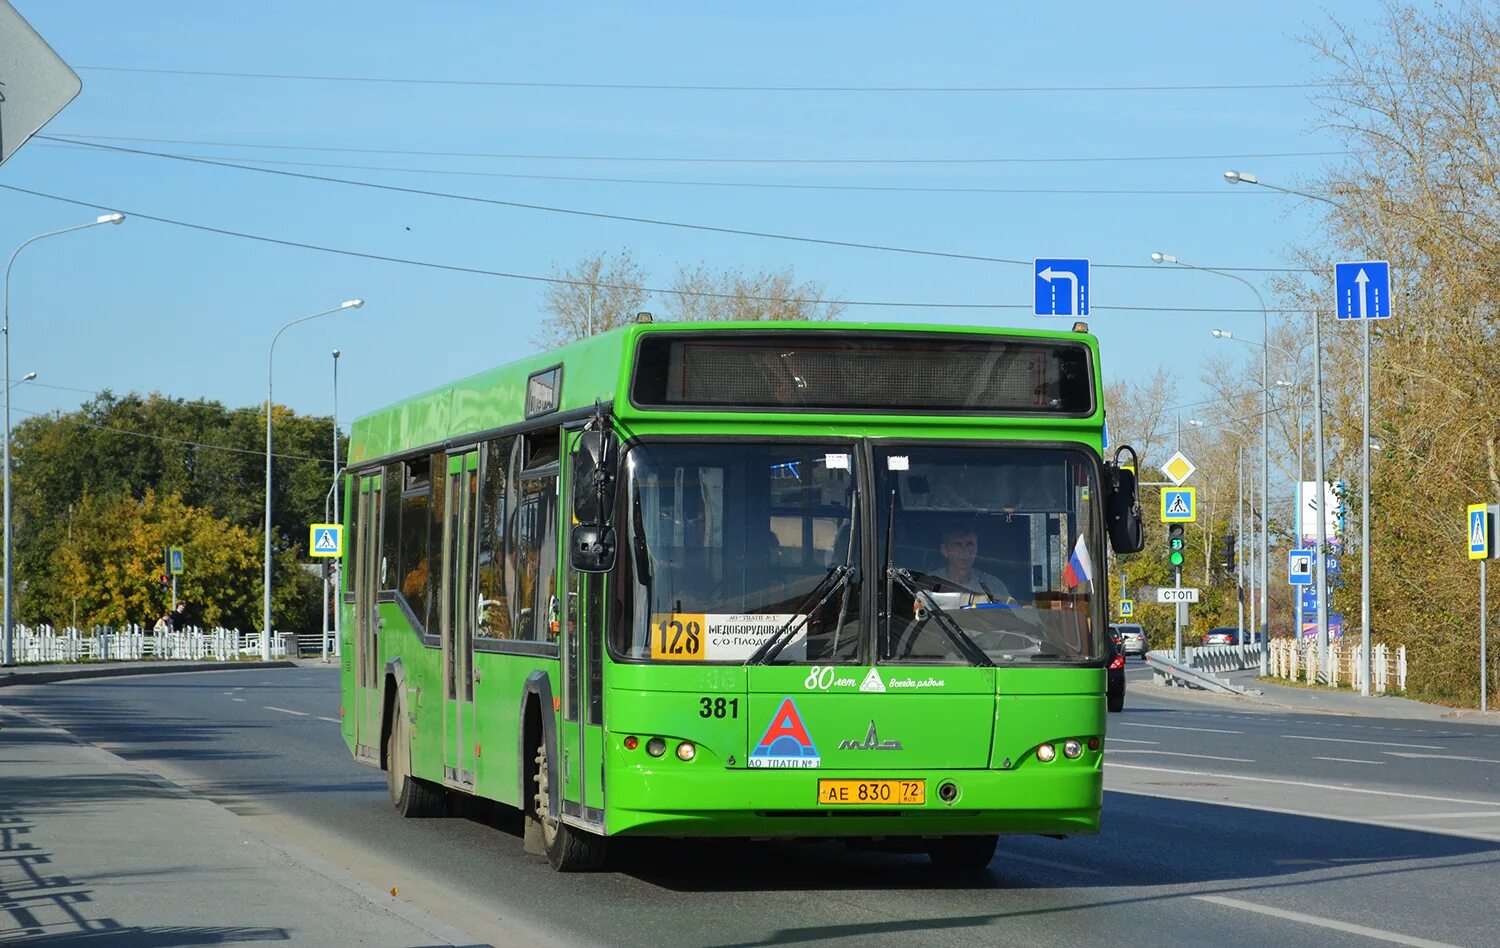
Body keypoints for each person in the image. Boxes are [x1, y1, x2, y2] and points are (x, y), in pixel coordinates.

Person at [930, 523, 1014, 602]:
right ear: (944, 550)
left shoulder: (992, 586)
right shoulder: (929, 584)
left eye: (969, 544)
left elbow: (1013, 613)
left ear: (977, 548)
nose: (965, 551)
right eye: (958, 545)